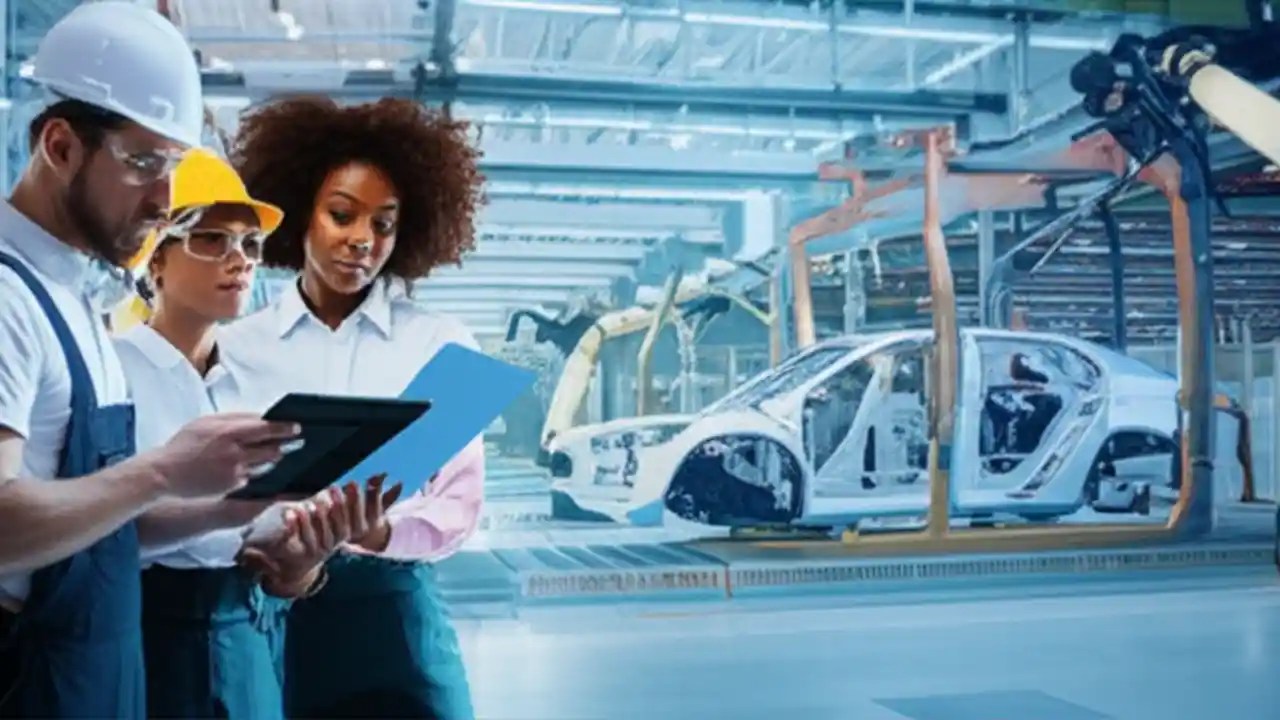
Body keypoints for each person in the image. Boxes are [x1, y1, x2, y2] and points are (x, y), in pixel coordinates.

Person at [0, 5, 302, 718]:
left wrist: (224, 507)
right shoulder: (8, 299)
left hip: (100, 672)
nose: (165, 200)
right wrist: (163, 470)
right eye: (142, 163)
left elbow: (100, 527)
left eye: (171, 166)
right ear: (61, 145)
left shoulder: (73, 302)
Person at [219, 95, 486, 719]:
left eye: (384, 225)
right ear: (301, 215)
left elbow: (459, 504)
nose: (362, 241)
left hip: (398, 617)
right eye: (342, 215)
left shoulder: (446, 344)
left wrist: (375, 530)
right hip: (273, 618)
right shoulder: (235, 348)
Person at [112, 147, 402, 719]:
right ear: (155, 261)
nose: (239, 259)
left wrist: (304, 561)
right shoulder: (109, 373)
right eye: (212, 239)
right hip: (139, 635)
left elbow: (282, 573)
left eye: (249, 244)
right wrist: (238, 507)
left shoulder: (265, 387)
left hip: (247, 633)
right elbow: (92, 527)